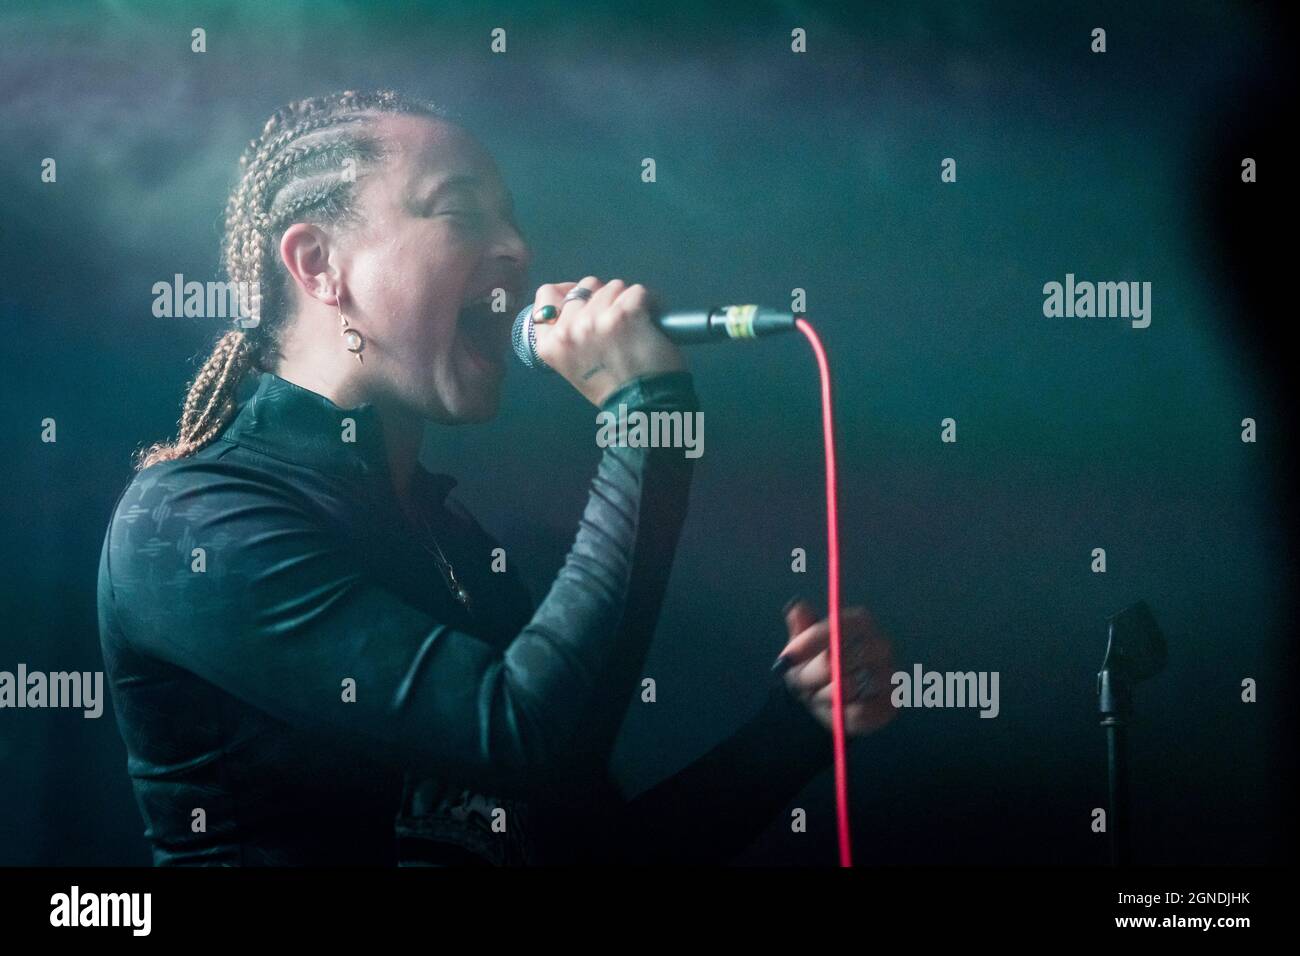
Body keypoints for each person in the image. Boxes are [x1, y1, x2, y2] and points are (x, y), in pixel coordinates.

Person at [96, 89, 897, 865]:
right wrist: (646, 414)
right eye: (459, 211)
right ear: (318, 263)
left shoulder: (450, 539)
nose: (518, 248)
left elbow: (587, 851)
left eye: (511, 218)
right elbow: (524, 737)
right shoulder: (193, 522)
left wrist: (792, 730)